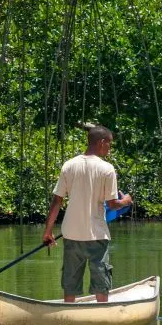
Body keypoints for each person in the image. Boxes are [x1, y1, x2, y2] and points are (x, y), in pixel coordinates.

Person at [42, 125, 132, 303]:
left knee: (70, 284)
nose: (109, 148)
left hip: (71, 234)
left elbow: (57, 201)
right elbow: (112, 204)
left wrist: (48, 231)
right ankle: (101, 316)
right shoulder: (107, 169)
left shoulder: (69, 165)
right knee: (101, 283)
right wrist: (127, 201)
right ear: (102, 142)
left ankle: (68, 315)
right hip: (97, 235)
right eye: (109, 144)